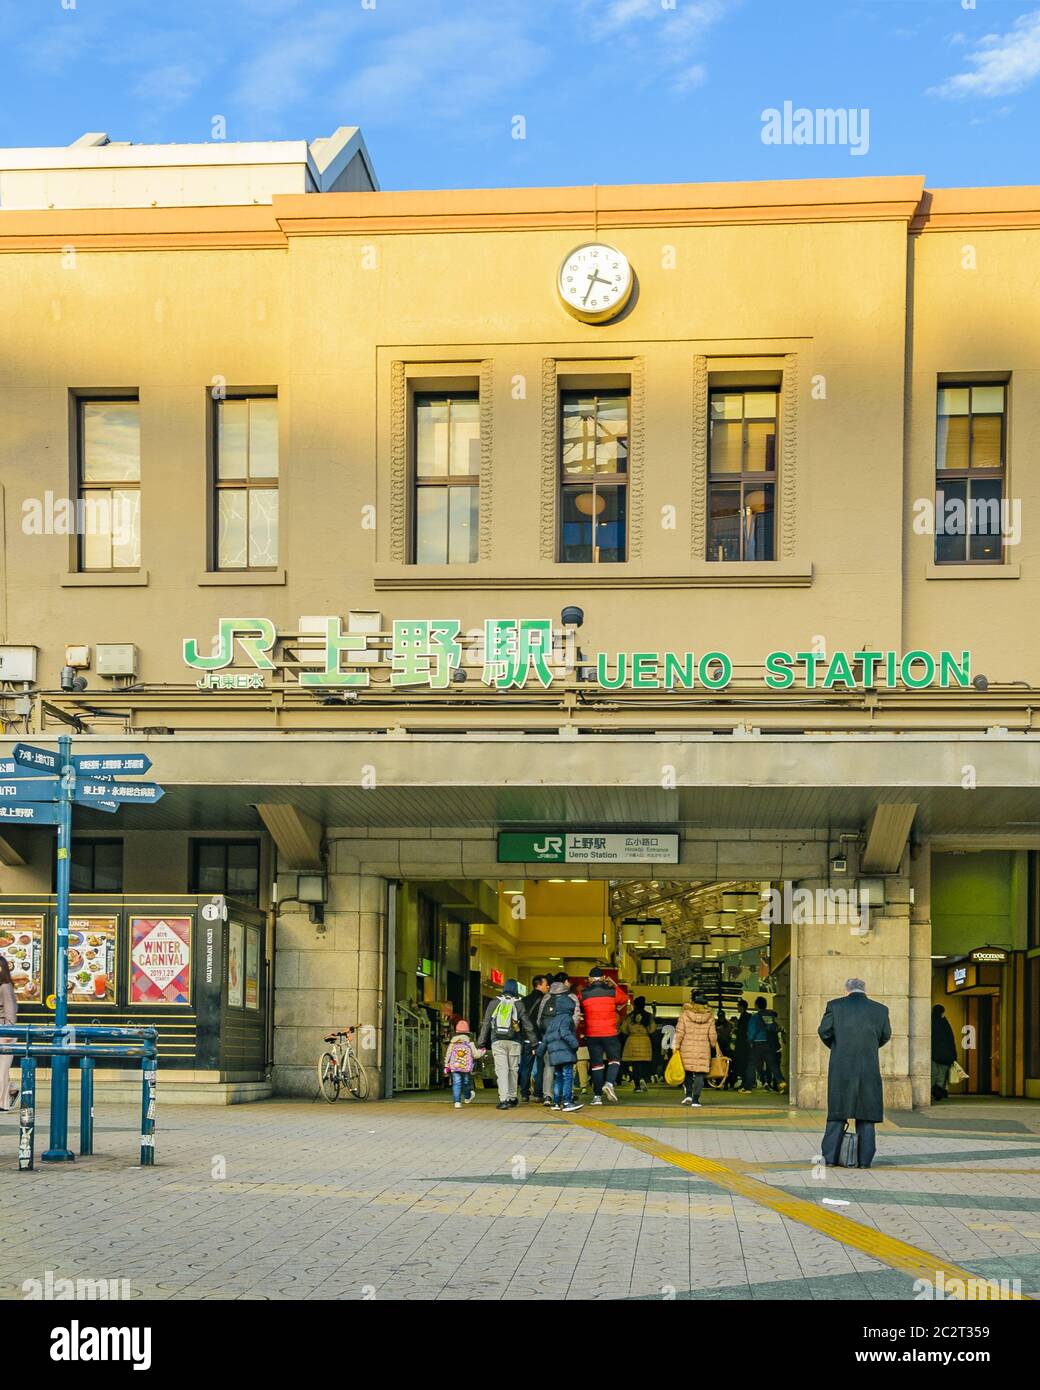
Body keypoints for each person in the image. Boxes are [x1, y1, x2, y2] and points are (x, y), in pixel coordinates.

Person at [818, 978, 892, 1169]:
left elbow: (824, 1031)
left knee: (837, 1113)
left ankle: (831, 1158)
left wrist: (838, 1046)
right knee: (867, 1114)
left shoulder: (834, 1006)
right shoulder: (880, 1009)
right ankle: (865, 1161)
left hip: (841, 1068)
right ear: (864, 989)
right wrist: (869, 1047)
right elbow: (885, 1035)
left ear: (846, 990)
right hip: (869, 1068)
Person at [477, 978, 537, 1109]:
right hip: (515, 1041)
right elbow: (527, 1025)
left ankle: (504, 1099)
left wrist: (481, 1042)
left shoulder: (494, 1002)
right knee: (513, 1070)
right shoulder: (518, 1004)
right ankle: (512, 1097)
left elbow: (486, 1023)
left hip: (497, 1041)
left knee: (502, 1070)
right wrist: (534, 1043)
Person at [580, 967, 628, 1104]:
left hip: (592, 1034)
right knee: (614, 1060)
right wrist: (615, 985)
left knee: (596, 1065)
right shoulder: (612, 991)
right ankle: (609, 1083)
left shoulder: (583, 994)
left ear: (589, 979)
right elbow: (624, 999)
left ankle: (597, 1097)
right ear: (603, 977)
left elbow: (580, 1007)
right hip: (610, 1033)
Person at [536, 972, 582, 1107]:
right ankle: (567, 1098)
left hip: (549, 1038)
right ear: (565, 983)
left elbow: (539, 1020)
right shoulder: (571, 997)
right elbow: (576, 1018)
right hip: (566, 1043)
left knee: (550, 1068)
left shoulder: (546, 997)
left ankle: (548, 1096)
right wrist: (572, 1040)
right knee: (567, 1072)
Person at [674, 990, 718, 1107]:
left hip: (686, 1048)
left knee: (688, 1072)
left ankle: (688, 1095)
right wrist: (713, 1044)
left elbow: (679, 1033)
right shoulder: (710, 1016)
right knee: (699, 1074)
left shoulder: (684, 1015)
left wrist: (676, 1046)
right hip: (703, 1049)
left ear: (692, 1001)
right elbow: (712, 1036)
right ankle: (696, 1100)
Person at [519, 975, 549, 1102]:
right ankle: (538, 1094)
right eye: (546, 984)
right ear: (539, 984)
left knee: (526, 1067)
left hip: (526, 1038)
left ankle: (524, 1094)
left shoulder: (523, 1000)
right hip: (540, 1038)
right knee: (540, 1067)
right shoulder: (545, 1000)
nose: (547, 987)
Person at [744, 997, 783, 1092]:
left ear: (756, 1005)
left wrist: (750, 1040)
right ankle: (781, 1082)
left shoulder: (755, 1017)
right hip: (768, 1044)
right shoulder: (770, 1016)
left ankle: (747, 1087)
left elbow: (751, 1031)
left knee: (752, 1065)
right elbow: (774, 1028)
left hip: (757, 1043)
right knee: (773, 1065)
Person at [443, 1020, 484, 1108]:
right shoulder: (470, 1042)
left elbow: (448, 1054)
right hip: (465, 1067)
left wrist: (446, 1065)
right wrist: (482, 1051)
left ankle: (457, 1102)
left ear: (456, 1032)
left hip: (454, 1066)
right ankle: (467, 1097)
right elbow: (476, 1055)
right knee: (466, 1083)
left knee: (456, 1083)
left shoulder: (453, 1043)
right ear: (468, 1032)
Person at [620, 996, 656, 1092]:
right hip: (645, 1040)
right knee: (644, 1063)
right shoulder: (649, 1016)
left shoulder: (630, 1016)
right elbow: (652, 1029)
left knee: (635, 1065)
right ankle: (643, 1078)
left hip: (632, 1040)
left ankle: (637, 1086)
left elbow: (623, 1029)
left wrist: (630, 1033)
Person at [0, 956, 17, 1112]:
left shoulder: (5, 987)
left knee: (2, 1069)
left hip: (4, 1032)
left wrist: (8, 1032)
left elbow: (10, 1011)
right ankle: (11, 1089)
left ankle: (3, 1104)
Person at [931, 1003, 958, 1101]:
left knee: (933, 1073)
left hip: (932, 1054)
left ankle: (931, 1091)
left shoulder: (931, 1022)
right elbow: (951, 1040)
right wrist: (954, 1055)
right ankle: (938, 1093)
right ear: (942, 1013)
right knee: (941, 1075)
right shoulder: (945, 1024)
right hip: (945, 1055)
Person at [725, 999, 749, 1090]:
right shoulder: (744, 1016)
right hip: (743, 1045)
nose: (737, 1007)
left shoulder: (745, 1017)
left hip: (742, 1045)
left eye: (738, 1006)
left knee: (742, 1064)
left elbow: (742, 1031)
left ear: (742, 1007)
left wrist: (736, 1029)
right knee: (742, 1064)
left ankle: (745, 1083)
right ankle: (744, 1082)